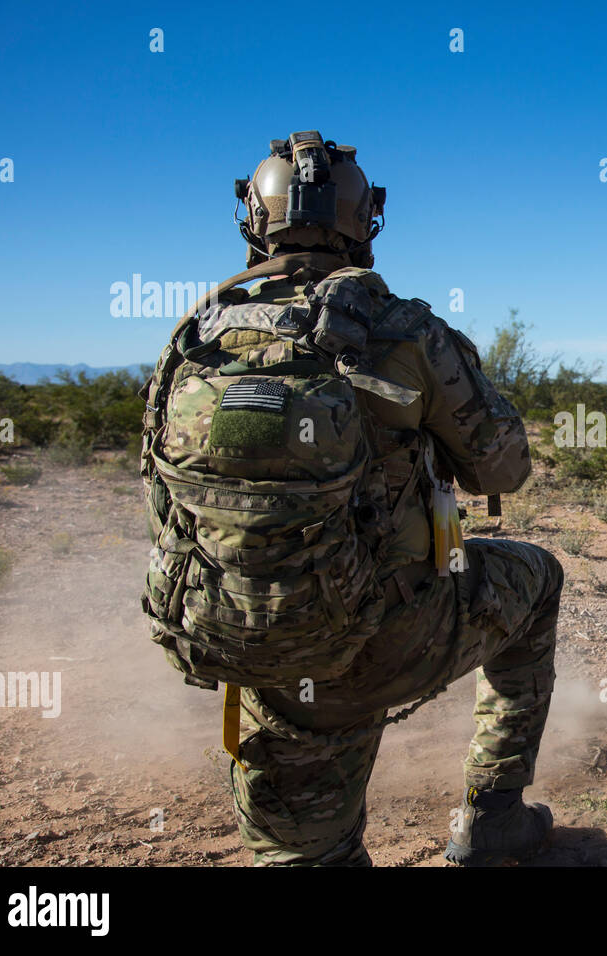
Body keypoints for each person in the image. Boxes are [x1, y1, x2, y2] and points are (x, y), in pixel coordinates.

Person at [140, 130, 562, 867]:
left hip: (250, 648)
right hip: (390, 641)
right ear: (365, 220)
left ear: (253, 218)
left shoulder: (196, 341)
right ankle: (492, 814)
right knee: (539, 578)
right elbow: (504, 470)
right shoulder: (405, 331)